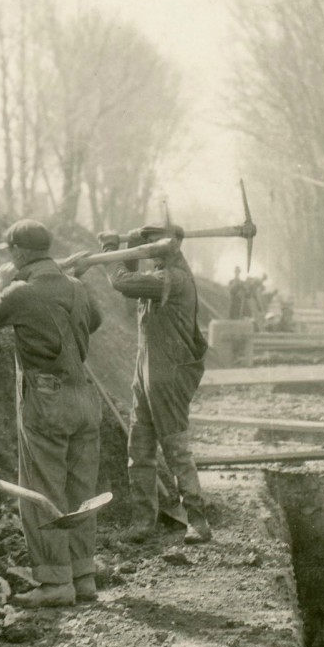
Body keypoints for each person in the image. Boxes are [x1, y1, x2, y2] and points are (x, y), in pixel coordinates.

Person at [0, 219, 105, 608]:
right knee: (81, 491)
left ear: (18, 253)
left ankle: (54, 582)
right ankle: (83, 577)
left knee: (42, 489)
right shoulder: (79, 287)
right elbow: (95, 320)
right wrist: (67, 278)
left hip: (46, 398)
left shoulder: (19, 291)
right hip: (85, 397)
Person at [112, 224, 211, 543]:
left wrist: (112, 251)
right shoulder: (161, 273)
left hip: (168, 373)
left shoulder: (172, 278)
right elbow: (130, 283)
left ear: (169, 247)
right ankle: (143, 523)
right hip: (146, 371)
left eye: (152, 246)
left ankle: (197, 520)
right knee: (138, 449)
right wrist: (126, 248)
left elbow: (121, 283)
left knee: (175, 449)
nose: (149, 252)